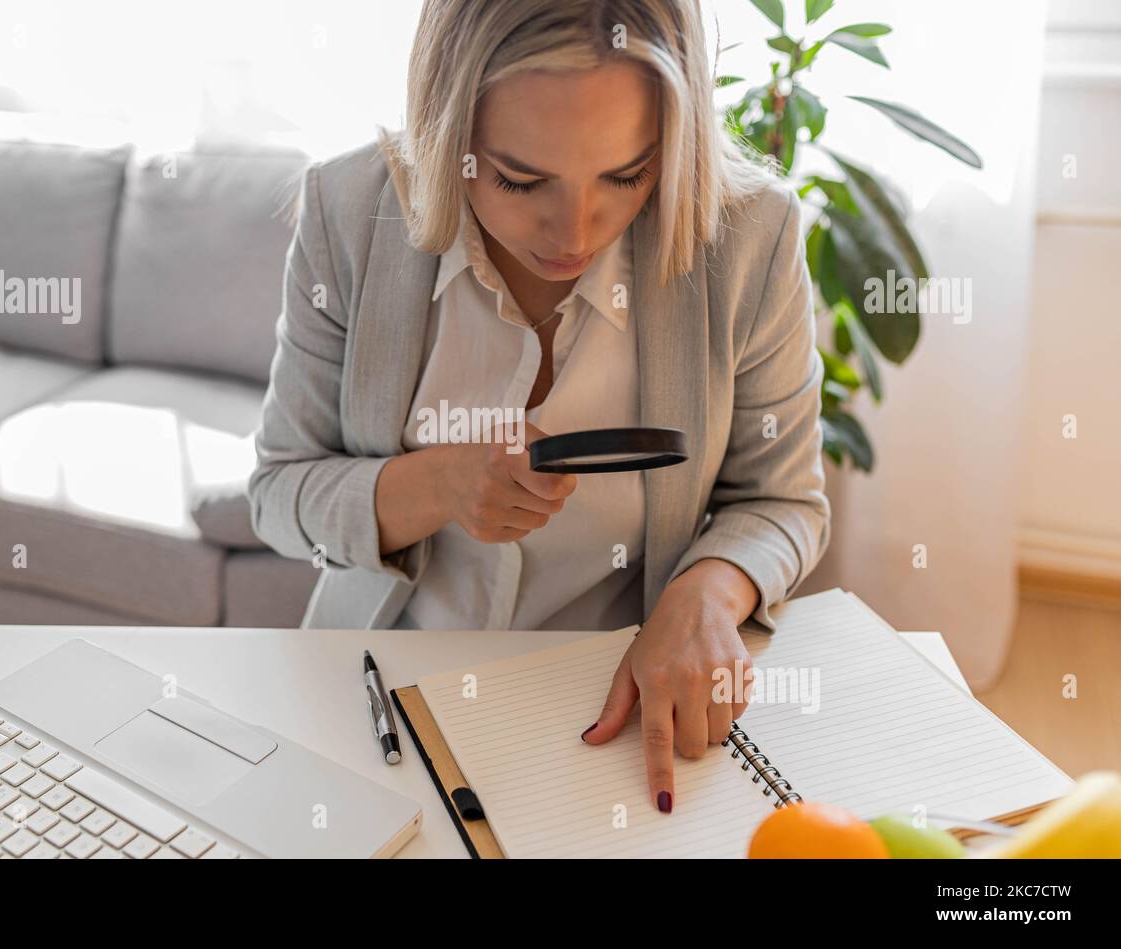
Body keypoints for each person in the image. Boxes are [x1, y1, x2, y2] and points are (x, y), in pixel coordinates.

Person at [250, 0, 830, 814]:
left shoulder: (748, 239)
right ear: (446, 130)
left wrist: (704, 592)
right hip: (380, 704)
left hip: (613, 716)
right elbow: (279, 493)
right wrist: (441, 485)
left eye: (627, 174)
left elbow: (782, 500)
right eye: (521, 179)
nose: (576, 231)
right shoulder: (348, 214)